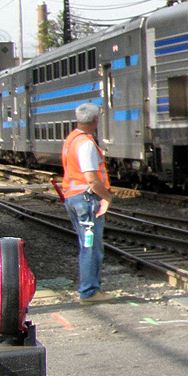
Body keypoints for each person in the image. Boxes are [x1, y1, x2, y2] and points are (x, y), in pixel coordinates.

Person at [61, 103, 113, 302]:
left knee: (86, 245)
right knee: (91, 246)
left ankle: (89, 290)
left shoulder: (71, 140)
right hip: (87, 200)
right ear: (95, 121)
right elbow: (91, 178)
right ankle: (89, 292)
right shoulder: (86, 144)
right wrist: (107, 197)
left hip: (74, 198)